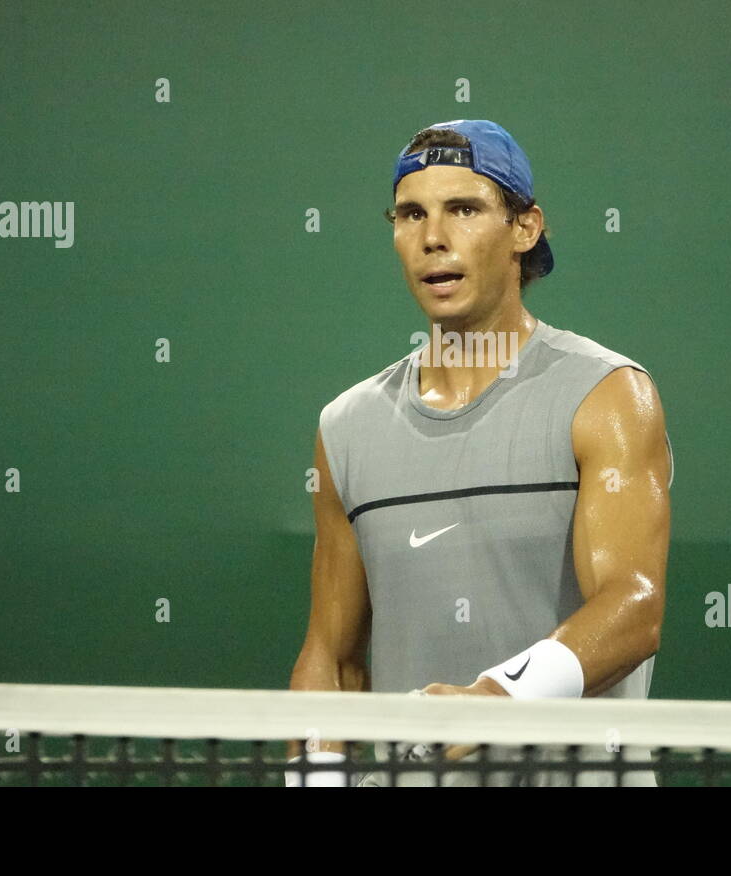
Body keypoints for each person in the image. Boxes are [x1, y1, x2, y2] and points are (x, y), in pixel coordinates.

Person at [287, 119, 672, 786]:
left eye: (463, 209)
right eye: (411, 214)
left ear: (525, 228)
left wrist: (492, 704)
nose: (433, 237)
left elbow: (633, 608)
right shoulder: (346, 429)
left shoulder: (605, 396)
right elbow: (333, 657)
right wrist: (314, 782)